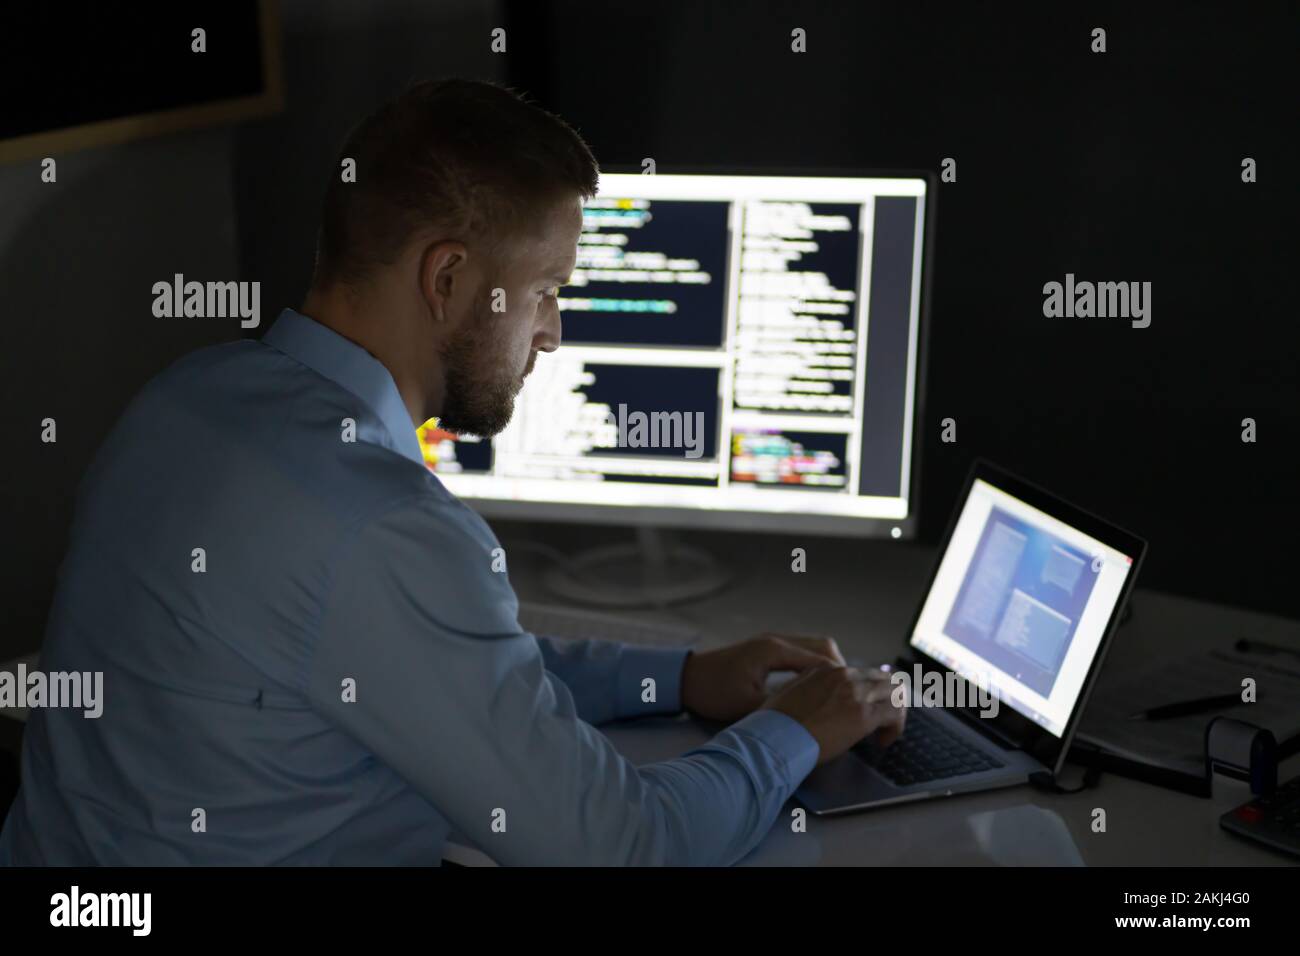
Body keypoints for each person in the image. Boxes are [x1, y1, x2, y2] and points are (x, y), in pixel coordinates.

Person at [0, 78, 903, 866]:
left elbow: (430, 664)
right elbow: (629, 846)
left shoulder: (183, 398)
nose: (553, 332)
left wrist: (674, 677)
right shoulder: (383, 525)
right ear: (448, 280)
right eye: (547, 290)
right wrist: (796, 730)